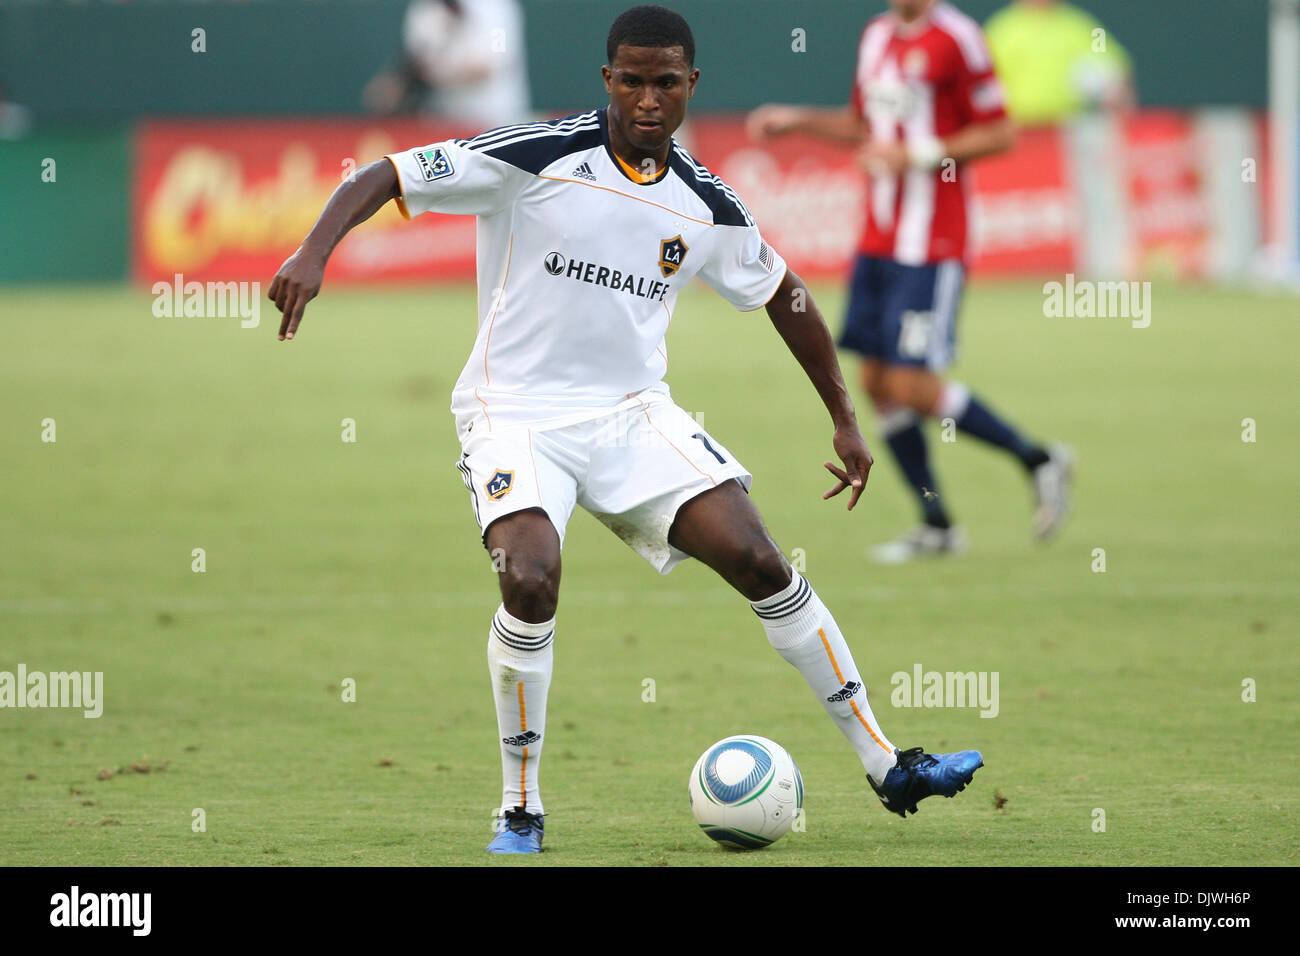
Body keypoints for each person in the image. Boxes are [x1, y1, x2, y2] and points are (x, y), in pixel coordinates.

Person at [270, 4, 982, 854]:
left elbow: (788, 298)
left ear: (691, 87)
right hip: (514, 415)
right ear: (608, 81)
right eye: (633, 81)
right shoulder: (534, 154)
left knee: (761, 560)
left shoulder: (705, 203)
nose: (649, 100)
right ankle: (520, 808)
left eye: (666, 83)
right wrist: (313, 252)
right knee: (530, 577)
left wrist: (843, 417)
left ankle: (887, 765)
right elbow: (381, 175)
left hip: (632, 417)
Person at [748, 0, 1073, 563]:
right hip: (877, 239)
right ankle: (936, 522)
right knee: (874, 379)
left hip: (934, 241)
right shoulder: (876, 35)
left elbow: (999, 133)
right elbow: (861, 126)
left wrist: (917, 154)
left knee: (910, 383)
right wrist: (797, 119)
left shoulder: (959, 38)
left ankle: (1039, 460)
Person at [363, 0, 531, 128]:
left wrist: (440, 72)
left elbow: (490, 67)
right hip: (443, 121)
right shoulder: (426, 8)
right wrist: (397, 83)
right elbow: (417, 59)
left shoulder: (496, 7)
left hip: (493, 120)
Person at [984, 0, 1134, 127]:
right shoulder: (1000, 30)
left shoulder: (1082, 27)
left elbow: (1112, 68)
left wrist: (1115, 89)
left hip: (1070, 131)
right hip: (1021, 132)